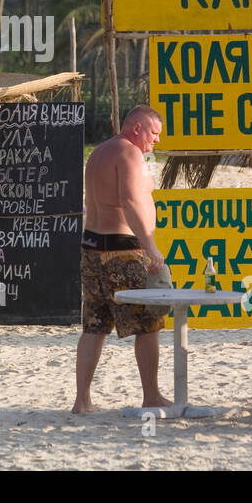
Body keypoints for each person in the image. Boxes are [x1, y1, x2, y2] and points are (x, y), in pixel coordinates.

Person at [74, 105, 170, 413]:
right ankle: (152, 396)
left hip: (91, 247)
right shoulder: (130, 153)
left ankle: (82, 400)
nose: (156, 141)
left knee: (95, 324)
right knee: (147, 323)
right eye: (154, 134)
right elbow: (129, 201)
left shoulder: (99, 152)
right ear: (137, 127)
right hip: (122, 249)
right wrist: (150, 246)